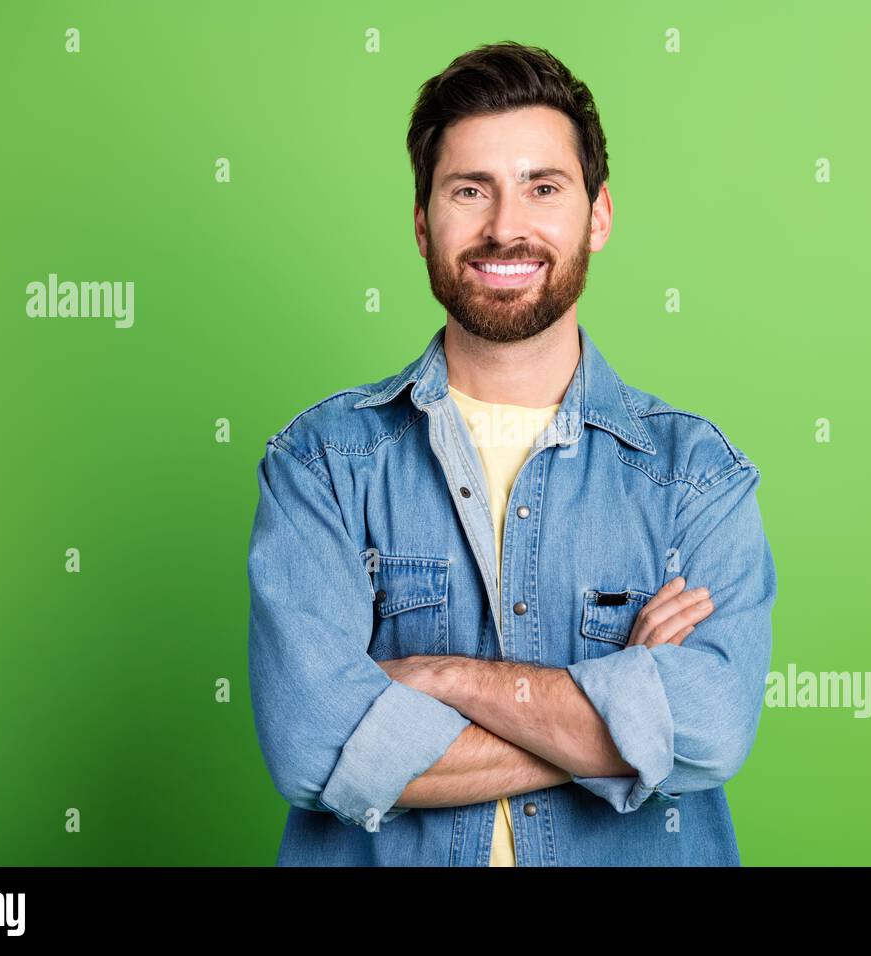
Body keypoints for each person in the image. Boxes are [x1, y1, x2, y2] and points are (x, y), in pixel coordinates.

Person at [247, 41, 777, 866]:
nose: (505, 226)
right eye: (470, 190)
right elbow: (314, 743)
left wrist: (439, 680)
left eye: (543, 187)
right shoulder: (322, 465)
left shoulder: (695, 478)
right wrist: (618, 728)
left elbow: (709, 730)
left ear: (597, 215)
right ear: (423, 223)